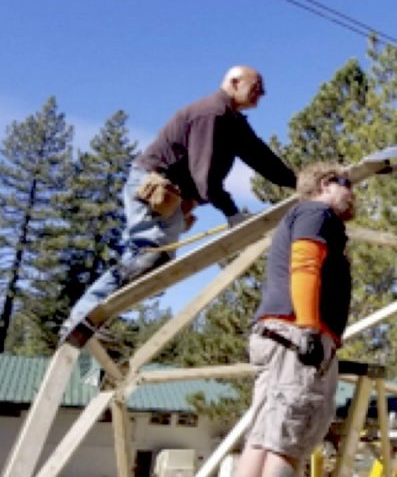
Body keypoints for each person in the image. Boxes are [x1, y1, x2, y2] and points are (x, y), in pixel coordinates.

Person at [60, 66, 297, 346]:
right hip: (155, 188)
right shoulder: (211, 113)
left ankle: (91, 321)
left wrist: (301, 182)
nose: (262, 94)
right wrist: (232, 212)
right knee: (148, 255)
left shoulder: (232, 121)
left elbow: (261, 157)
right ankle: (81, 318)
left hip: (171, 196)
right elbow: (204, 174)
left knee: (153, 264)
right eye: (256, 86)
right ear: (234, 82)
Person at [235, 162, 355, 477]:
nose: (352, 193)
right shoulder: (317, 213)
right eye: (347, 184)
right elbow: (305, 264)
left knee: (264, 438)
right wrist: (309, 329)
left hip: (281, 338)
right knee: (289, 439)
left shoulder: (305, 216)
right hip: (296, 339)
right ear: (326, 183)